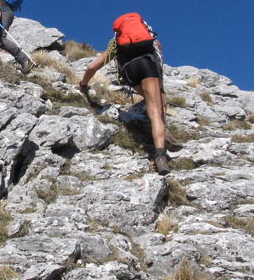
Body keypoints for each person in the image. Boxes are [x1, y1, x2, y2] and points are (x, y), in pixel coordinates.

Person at [76, 13, 183, 174]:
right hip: (148, 66)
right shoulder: (151, 41)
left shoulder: (117, 46)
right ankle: (160, 155)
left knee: (156, 100)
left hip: (130, 74)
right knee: (156, 108)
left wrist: (83, 85)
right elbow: (159, 59)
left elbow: (92, 67)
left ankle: (163, 131)